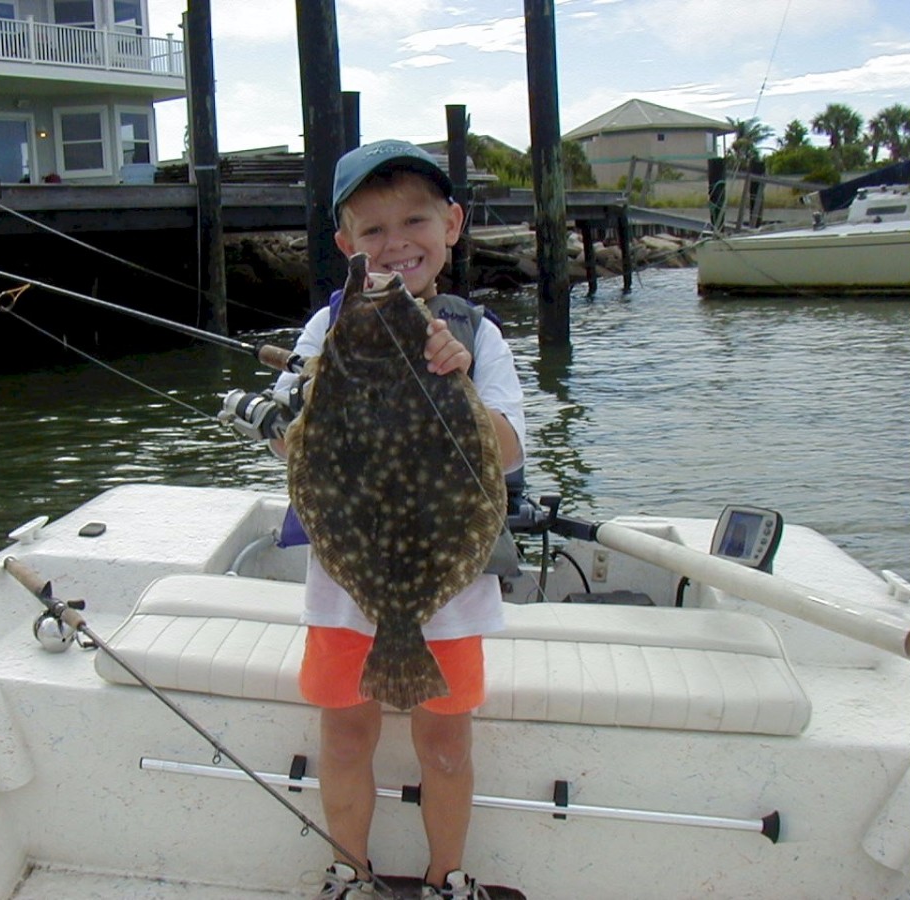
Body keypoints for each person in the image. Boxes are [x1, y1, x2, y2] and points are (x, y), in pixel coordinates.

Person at [270, 140, 527, 900]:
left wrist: (461, 379)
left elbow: (507, 455)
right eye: (373, 230)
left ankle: (448, 878)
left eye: (414, 220)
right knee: (346, 736)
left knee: (445, 747)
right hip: (344, 593)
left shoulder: (477, 336)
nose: (396, 243)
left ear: (452, 225)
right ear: (348, 247)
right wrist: (306, 397)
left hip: (452, 597)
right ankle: (349, 871)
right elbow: (293, 442)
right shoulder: (327, 330)